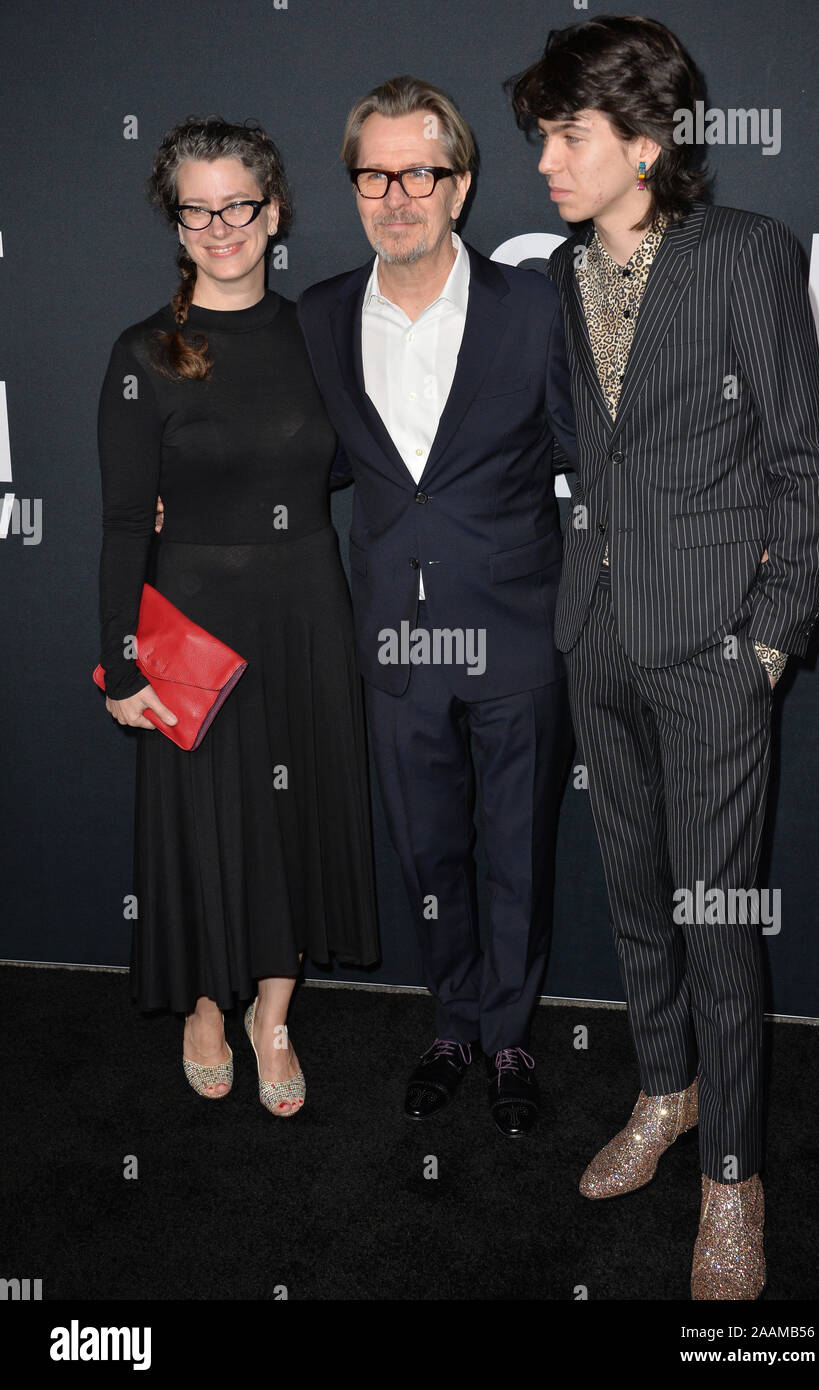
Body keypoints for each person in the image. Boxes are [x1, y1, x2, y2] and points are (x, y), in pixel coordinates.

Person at [508, 15, 819, 1294]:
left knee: (715, 923)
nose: (546, 157)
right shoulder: (547, 280)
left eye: (568, 133)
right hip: (595, 635)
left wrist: (766, 643)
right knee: (637, 902)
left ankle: (734, 1179)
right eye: (541, 132)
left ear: (645, 142)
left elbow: (806, 473)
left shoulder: (745, 256)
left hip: (711, 649)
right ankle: (664, 1092)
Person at [297, 77, 579, 1137]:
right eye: (374, 173)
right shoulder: (322, 314)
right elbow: (308, 459)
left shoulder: (537, 305)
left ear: (458, 186)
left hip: (516, 629)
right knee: (427, 853)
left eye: (420, 172)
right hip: (394, 639)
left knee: (516, 847)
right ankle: (451, 1025)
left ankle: (509, 1037)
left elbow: (595, 450)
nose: (395, 195)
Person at [98, 117, 378, 1116]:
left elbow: (357, 462)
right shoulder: (145, 351)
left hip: (304, 608)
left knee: (293, 820)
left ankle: (272, 1014)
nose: (221, 226)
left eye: (239, 206)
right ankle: (205, 1008)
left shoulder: (319, 335)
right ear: (176, 221)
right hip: (193, 625)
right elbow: (127, 518)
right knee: (205, 827)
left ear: (274, 211)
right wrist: (121, 664)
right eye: (197, 209)